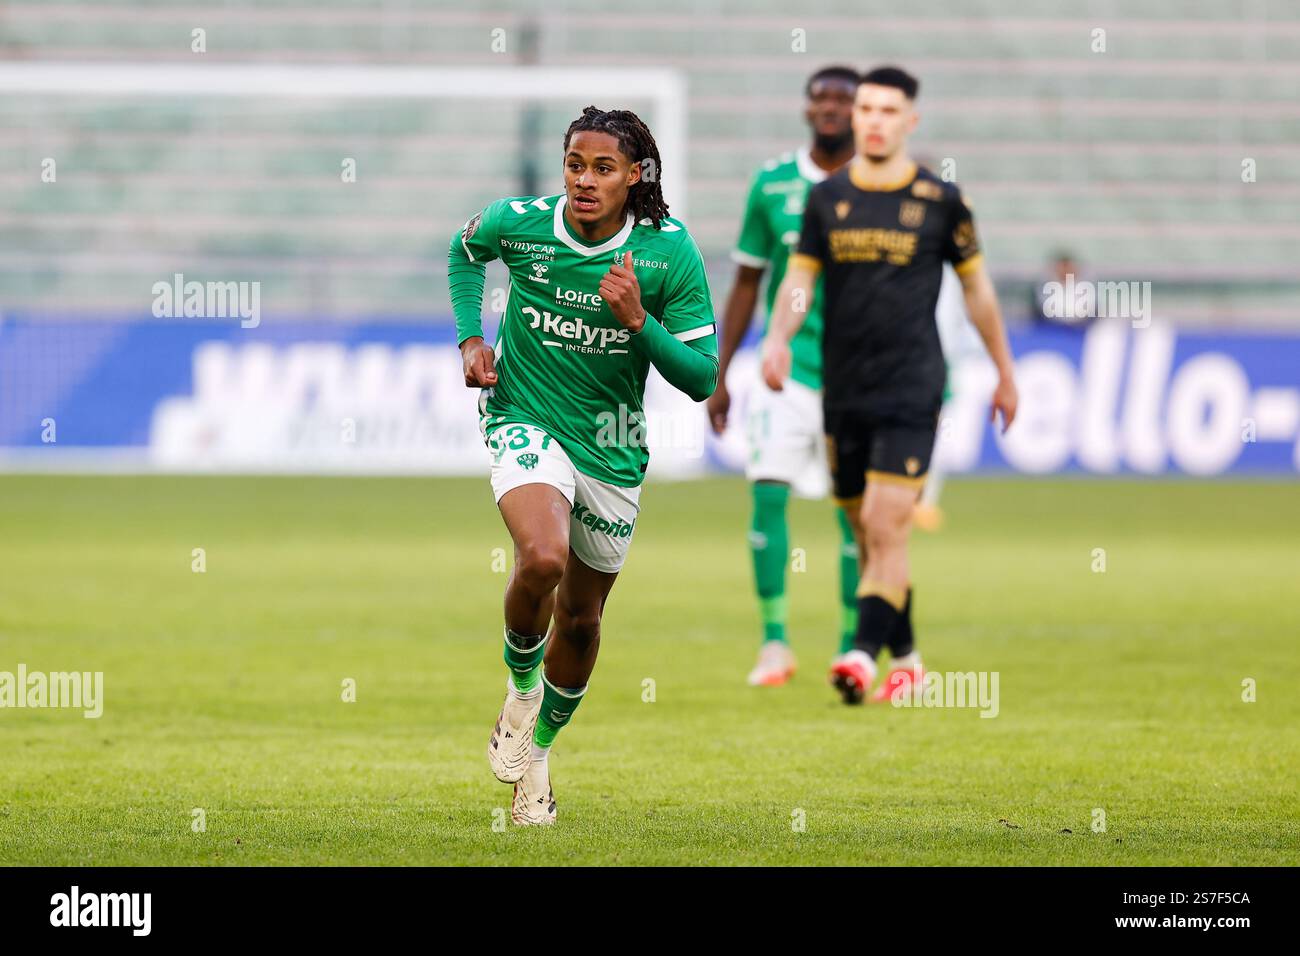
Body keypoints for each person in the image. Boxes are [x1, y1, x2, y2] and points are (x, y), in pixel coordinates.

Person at [447, 106, 718, 822]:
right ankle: (522, 686)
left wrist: (639, 322)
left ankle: (536, 756)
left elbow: (701, 377)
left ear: (635, 176)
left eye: (603, 168)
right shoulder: (523, 222)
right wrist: (472, 340)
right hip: (524, 415)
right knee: (541, 559)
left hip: (613, 440)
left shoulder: (668, 253)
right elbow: (465, 249)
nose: (585, 180)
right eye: (575, 164)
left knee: (584, 621)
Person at [760, 66, 1019, 704]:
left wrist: (1005, 372)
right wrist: (778, 336)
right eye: (866, 109)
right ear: (856, 118)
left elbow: (978, 291)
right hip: (842, 390)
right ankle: (907, 655)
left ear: (910, 121)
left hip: (913, 388)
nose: (874, 120)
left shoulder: (941, 201)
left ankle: (859, 652)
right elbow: (800, 278)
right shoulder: (827, 199)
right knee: (863, 531)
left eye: (887, 110)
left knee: (886, 522)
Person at [707, 65, 860, 687]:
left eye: (842, 100)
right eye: (820, 97)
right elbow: (747, 282)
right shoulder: (772, 185)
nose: (830, 108)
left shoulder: (881, 187)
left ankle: (855, 645)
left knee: (858, 514)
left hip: (858, 377)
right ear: (806, 109)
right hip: (784, 372)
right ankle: (775, 643)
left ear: (860, 111)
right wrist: (718, 374)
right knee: (767, 493)